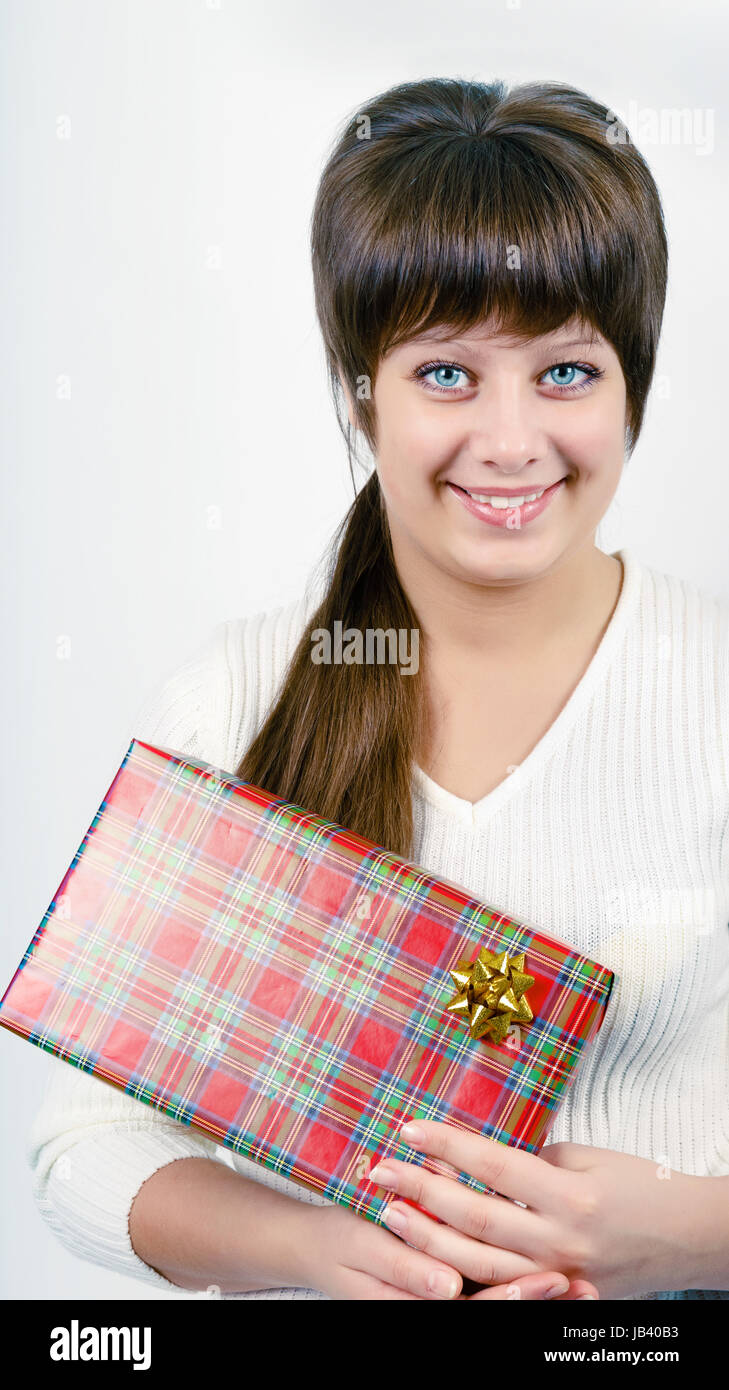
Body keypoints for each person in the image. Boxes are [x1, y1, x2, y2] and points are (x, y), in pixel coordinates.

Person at [27, 76, 729, 1301]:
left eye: (567, 372)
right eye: (446, 374)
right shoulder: (236, 696)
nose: (509, 441)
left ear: (635, 384)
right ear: (362, 388)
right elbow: (82, 1149)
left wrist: (686, 1233)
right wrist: (319, 1249)